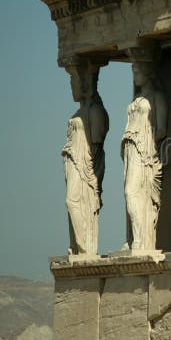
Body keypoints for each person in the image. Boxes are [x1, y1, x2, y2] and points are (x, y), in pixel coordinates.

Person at [62, 62, 109, 255]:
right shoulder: (82, 112)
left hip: (84, 166)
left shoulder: (95, 111)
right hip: (73, 162)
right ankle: (79, 248)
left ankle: (86, 247)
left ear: (84, 84)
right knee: (72, 203)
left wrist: (92, 176)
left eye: (74, 81)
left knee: (73, 202)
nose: (71, 86)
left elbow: (97, 146)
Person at [121, 61, 167, 251]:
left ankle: (140, 240)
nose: (135, 74)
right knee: (131, 194)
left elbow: (162, 128)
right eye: (133, 70)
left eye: (138, 70)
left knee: (133, 192)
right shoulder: (136, 100)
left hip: (145, 151)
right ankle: (133, 238)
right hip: (130, 151)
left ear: (148, 72)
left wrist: (146, 142)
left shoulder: (157, 97)